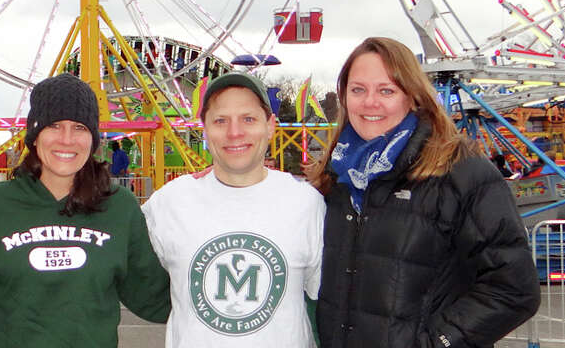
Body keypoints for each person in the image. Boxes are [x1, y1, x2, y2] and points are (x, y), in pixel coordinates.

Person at [307, 37, 539, 348]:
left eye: (386, 90)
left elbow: (514, 287)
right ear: (344, 97)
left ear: (413, 97)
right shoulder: (334, 178)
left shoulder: (461, 174)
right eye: (358, 89)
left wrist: (437, 342)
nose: (370, 102)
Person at [0, 73, 170, 347]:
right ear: (34, 136)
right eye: (54, 126)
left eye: (80, 128)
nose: (67, 140)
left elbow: (153, 299)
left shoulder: (119, 207)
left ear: (93, 138)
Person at [143, 72, 324, 347]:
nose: (234, 132)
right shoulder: (169, 202)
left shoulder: (307, 204)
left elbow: (327, 298)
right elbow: (128, 278)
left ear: (270, 125)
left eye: (248, 119)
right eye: (220, 121)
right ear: (204, 129)